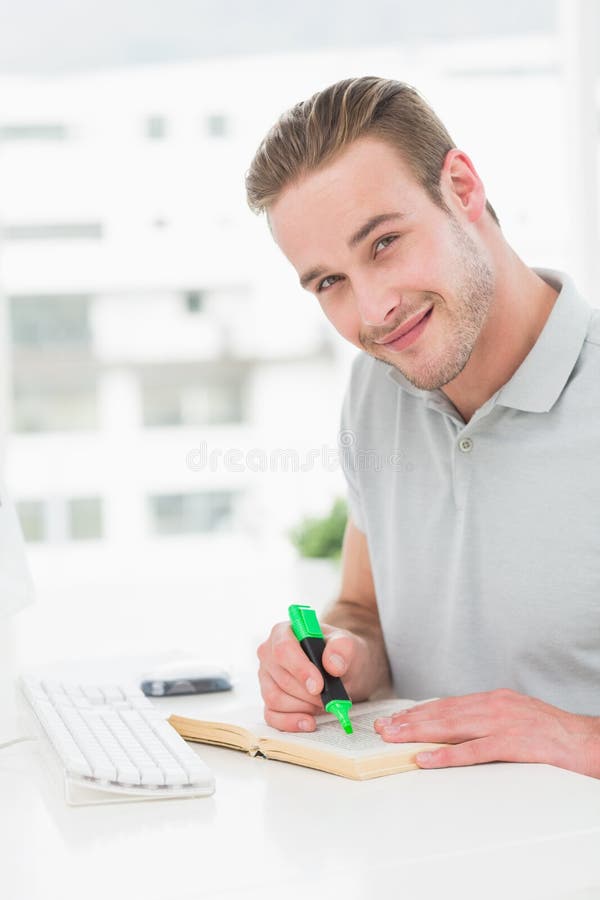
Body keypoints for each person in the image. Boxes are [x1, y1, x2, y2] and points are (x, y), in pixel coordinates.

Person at [247, 76, 600, 778]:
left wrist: (579, 738)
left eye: (382, 243)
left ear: (463, 189)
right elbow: (362, 608)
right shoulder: (379, 389)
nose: (374, 311)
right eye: (329, 282)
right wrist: (336, 658)